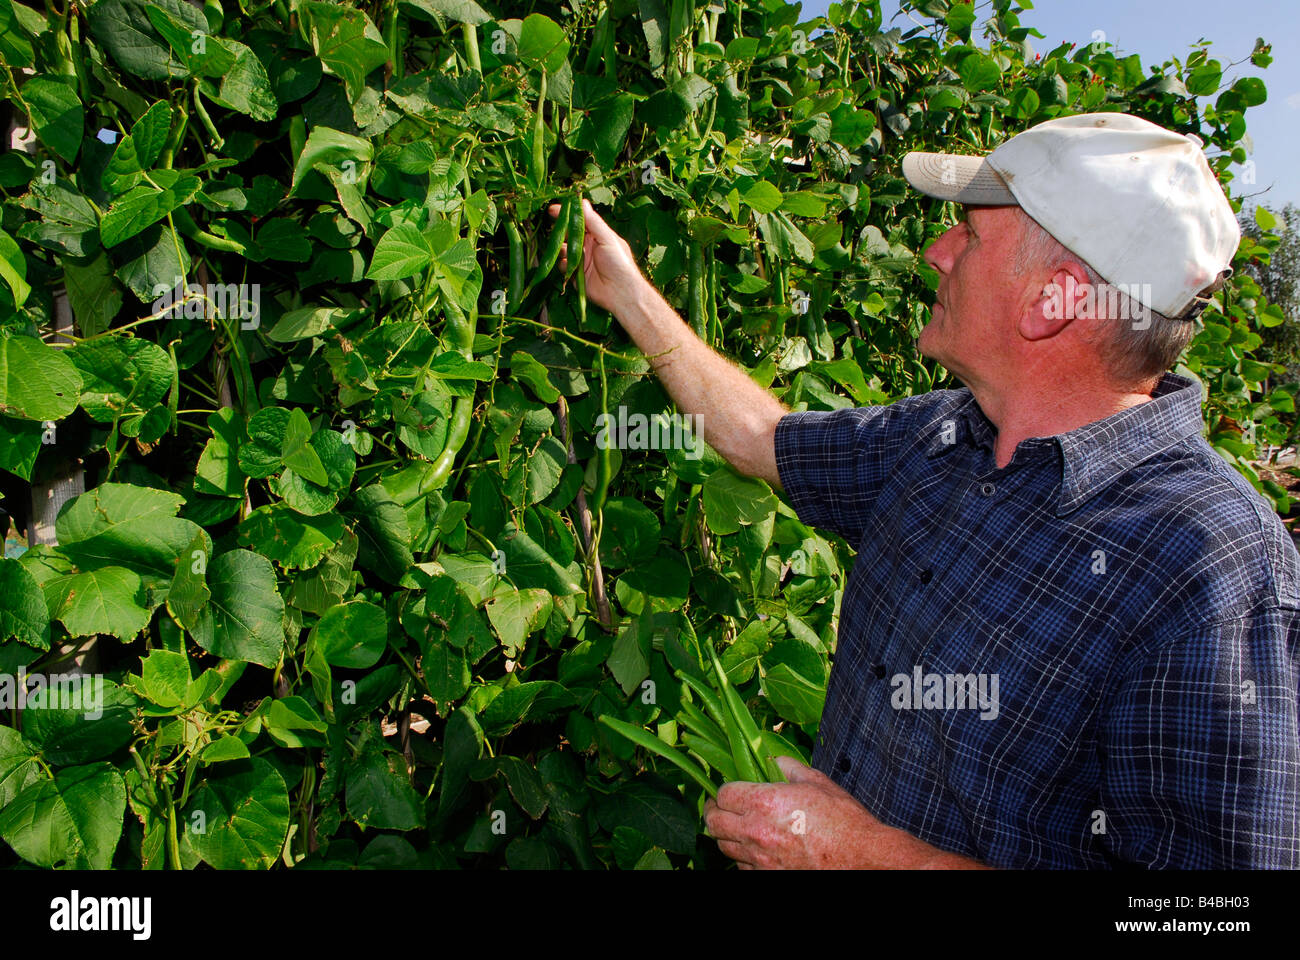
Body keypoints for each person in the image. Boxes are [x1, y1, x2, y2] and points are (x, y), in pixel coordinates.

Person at [552, 112, 1300, 869]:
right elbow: (758, 438)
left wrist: (860, 855)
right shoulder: (941, 439)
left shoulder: (1212, 568)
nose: (936, 254)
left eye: (971, 237)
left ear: (1054, 299)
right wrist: (626, 292)